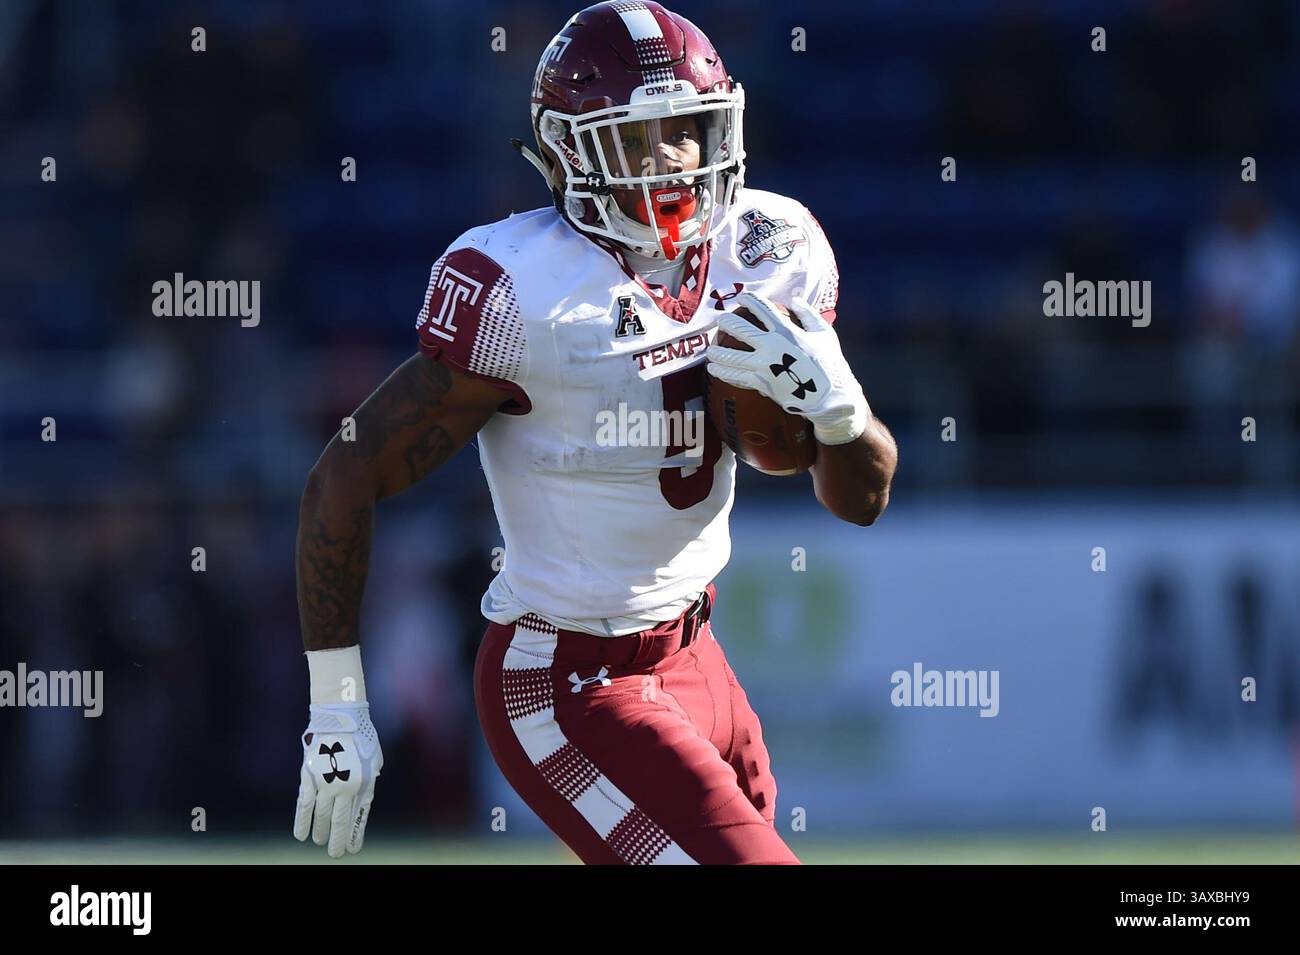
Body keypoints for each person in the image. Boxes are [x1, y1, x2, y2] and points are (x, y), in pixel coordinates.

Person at [292, 0, 897, 864]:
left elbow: (861, 501)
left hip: (699, 655)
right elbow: (342, 478)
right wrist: (338, 703)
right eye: (637, 139)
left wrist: (843, 414)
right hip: (568, 678)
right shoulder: (520, 289)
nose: (672, 160)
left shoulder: (770, 244)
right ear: (570, 152)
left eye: (686, 130)